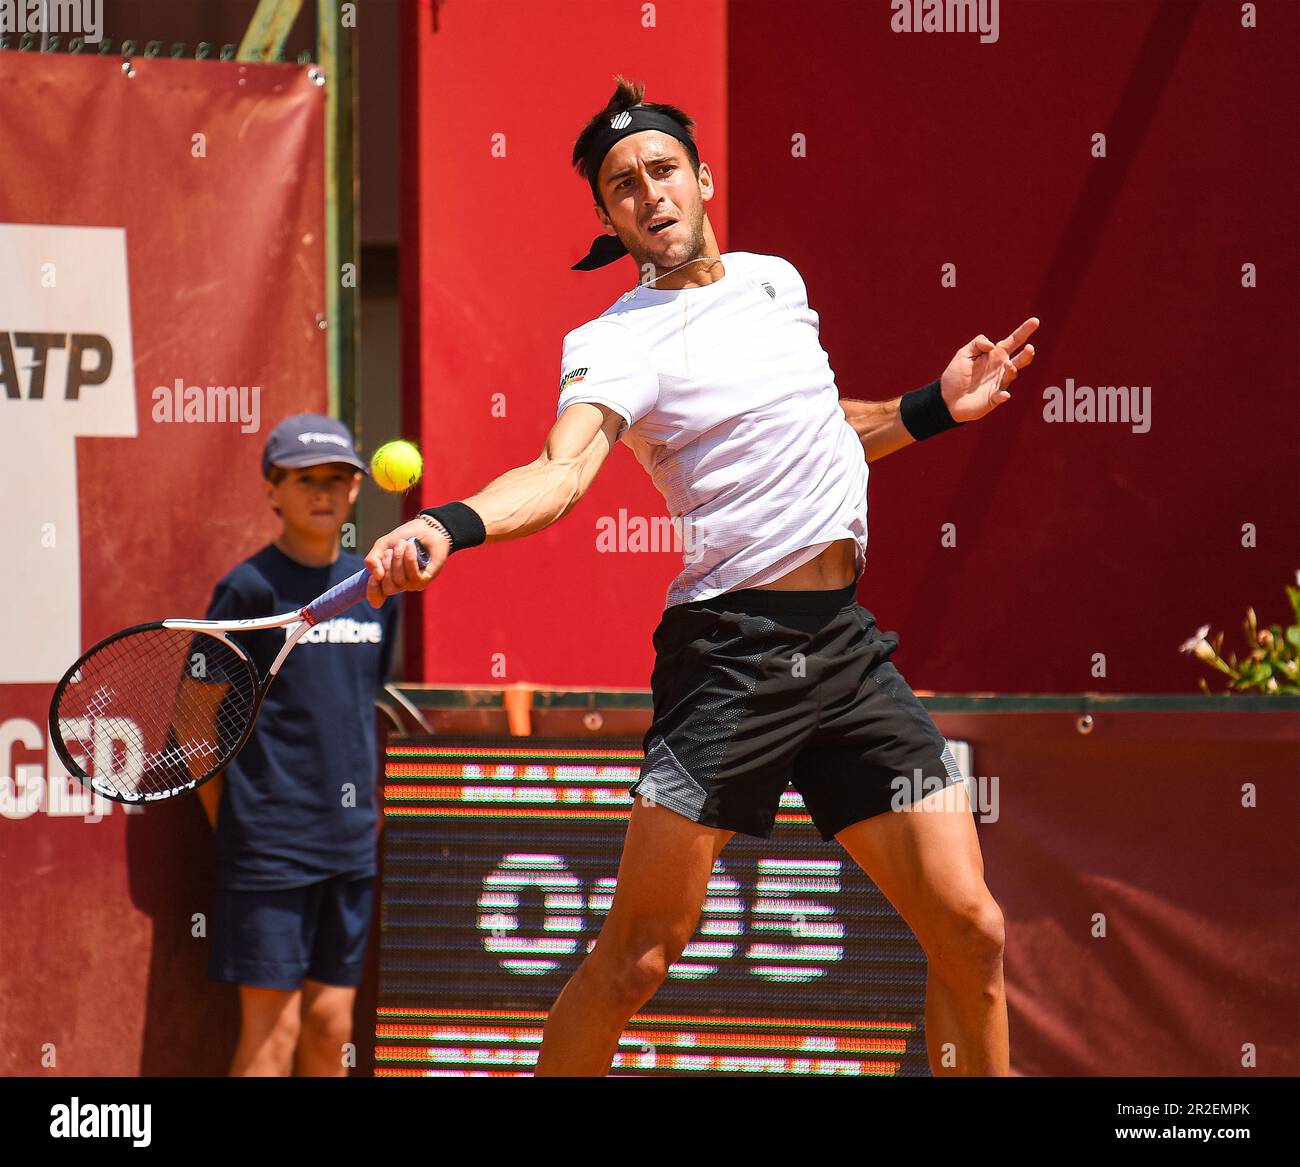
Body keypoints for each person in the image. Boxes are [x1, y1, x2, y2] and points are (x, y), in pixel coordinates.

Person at [364, 76, 1039, 1077]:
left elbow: (816, 429)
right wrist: (449, 525)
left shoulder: (776, 281)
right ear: (608, 216)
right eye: (622, 185)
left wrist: (928, 409)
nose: (649, 193)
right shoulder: (612, 343)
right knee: (636, 958)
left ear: (702, 177)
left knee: (972, 929)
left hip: (846, 656)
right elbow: (560, 473)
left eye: (662, 170)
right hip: (733, 659)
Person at [198, 414, 400, 1076]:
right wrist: (239, 824)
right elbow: (195, 723)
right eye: (306, 479)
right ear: (271, 490)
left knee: (329, 1023)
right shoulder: (247, 590)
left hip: (350, 846)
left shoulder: (372, 591)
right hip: (269, 849)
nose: (325, 493)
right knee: (273, 1031)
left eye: (339, 480)